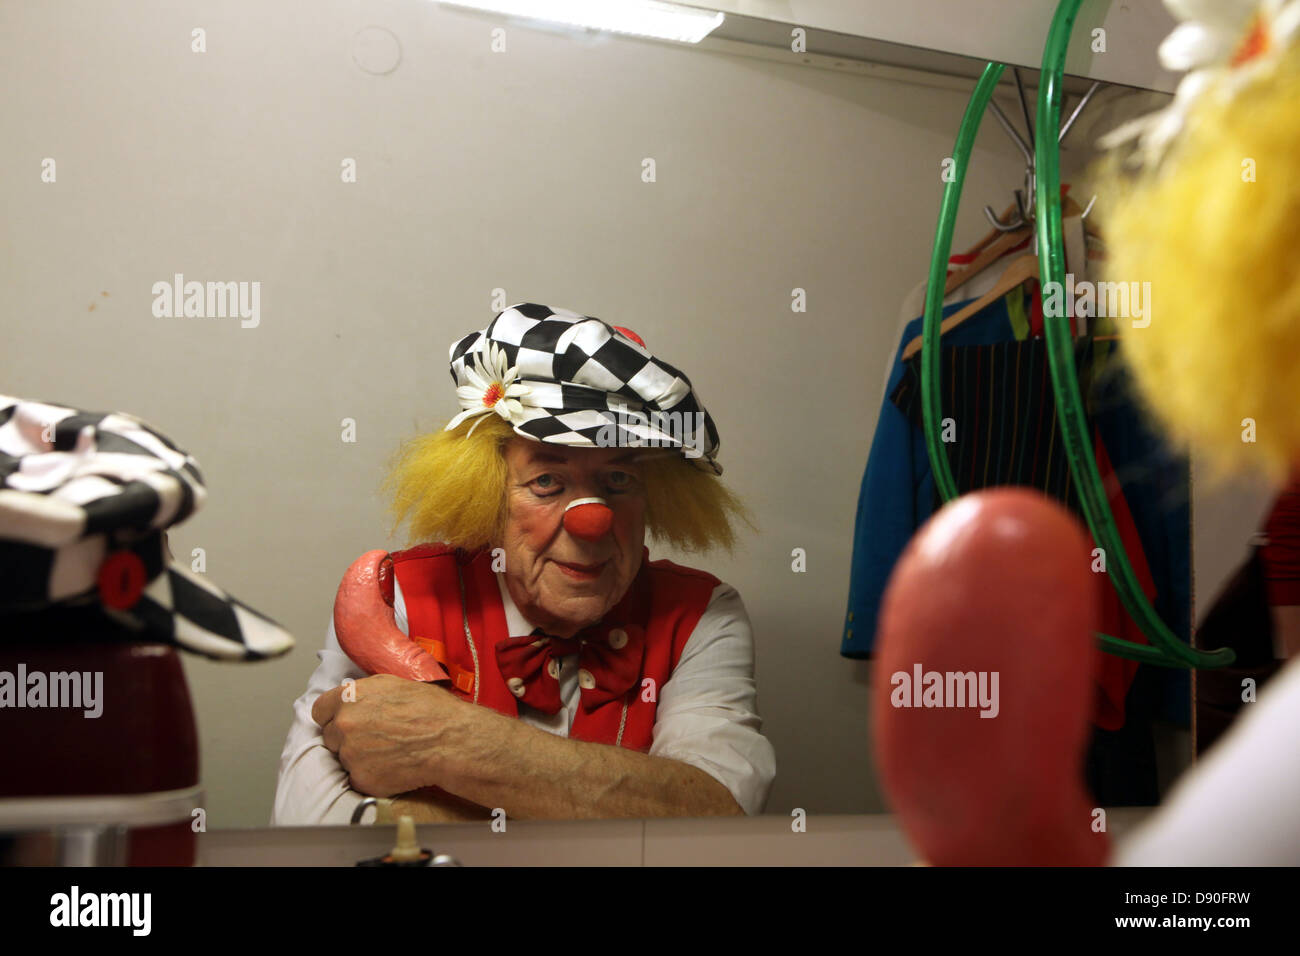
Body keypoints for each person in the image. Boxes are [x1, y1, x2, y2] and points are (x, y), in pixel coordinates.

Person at [273, 303, 776, 824]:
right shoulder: (395, 595)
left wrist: (450, 740)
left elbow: (715, 818)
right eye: (546, 483)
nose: (591, 522)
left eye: (619, 482)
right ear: (488, 494)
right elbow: (303, 826)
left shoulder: (702, 615)